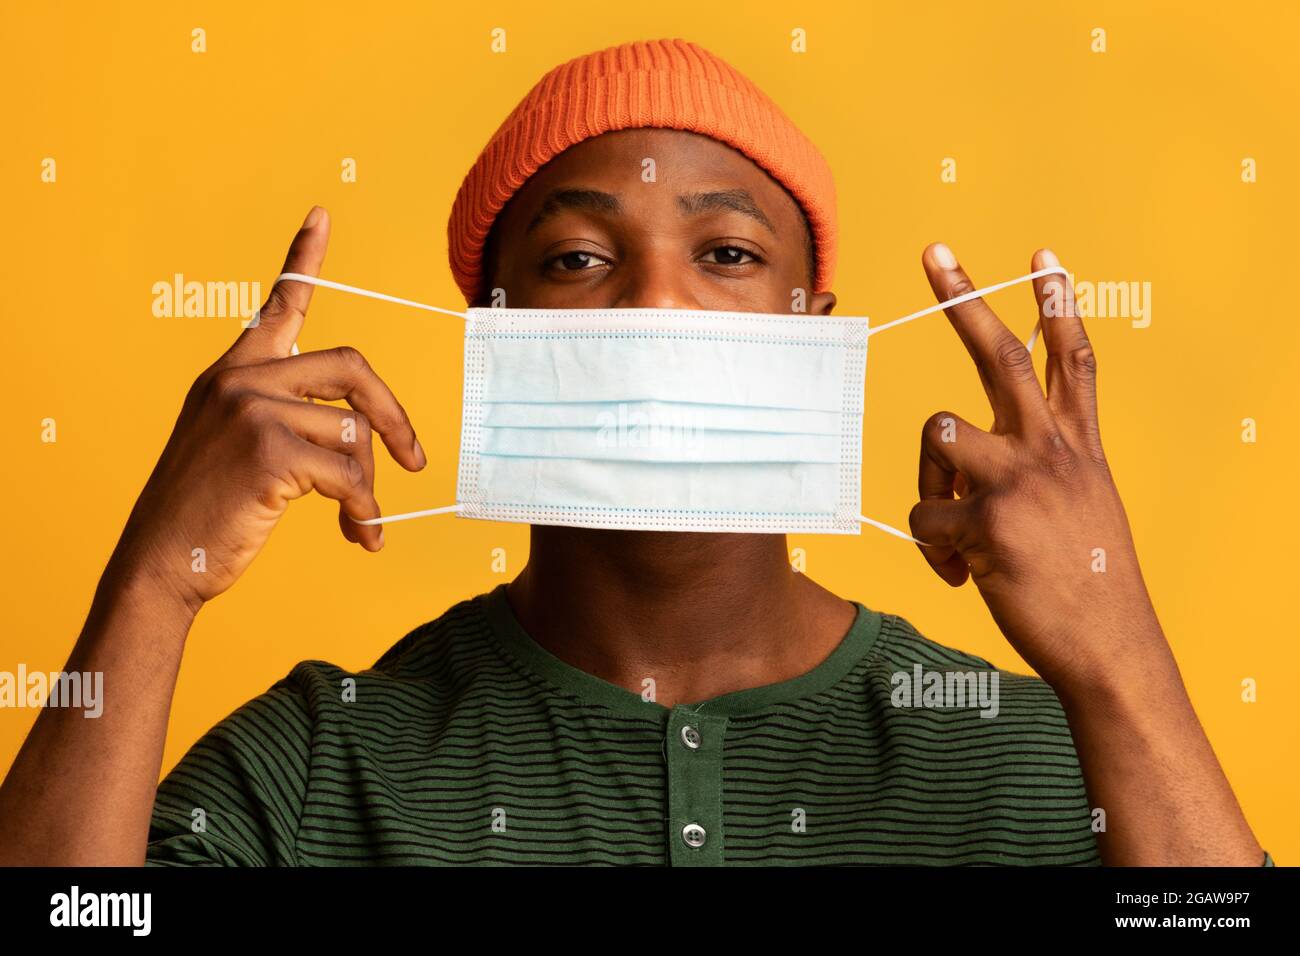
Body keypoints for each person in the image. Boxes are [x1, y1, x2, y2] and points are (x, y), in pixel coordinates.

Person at [0, 38, 1269, 866]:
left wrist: (1121, 657)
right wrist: (150, 582)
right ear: (491, 334)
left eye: (727, 253)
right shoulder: (324, 764)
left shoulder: (1044, 759)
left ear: (813, 330)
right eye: (577, 258)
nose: (658, 300)